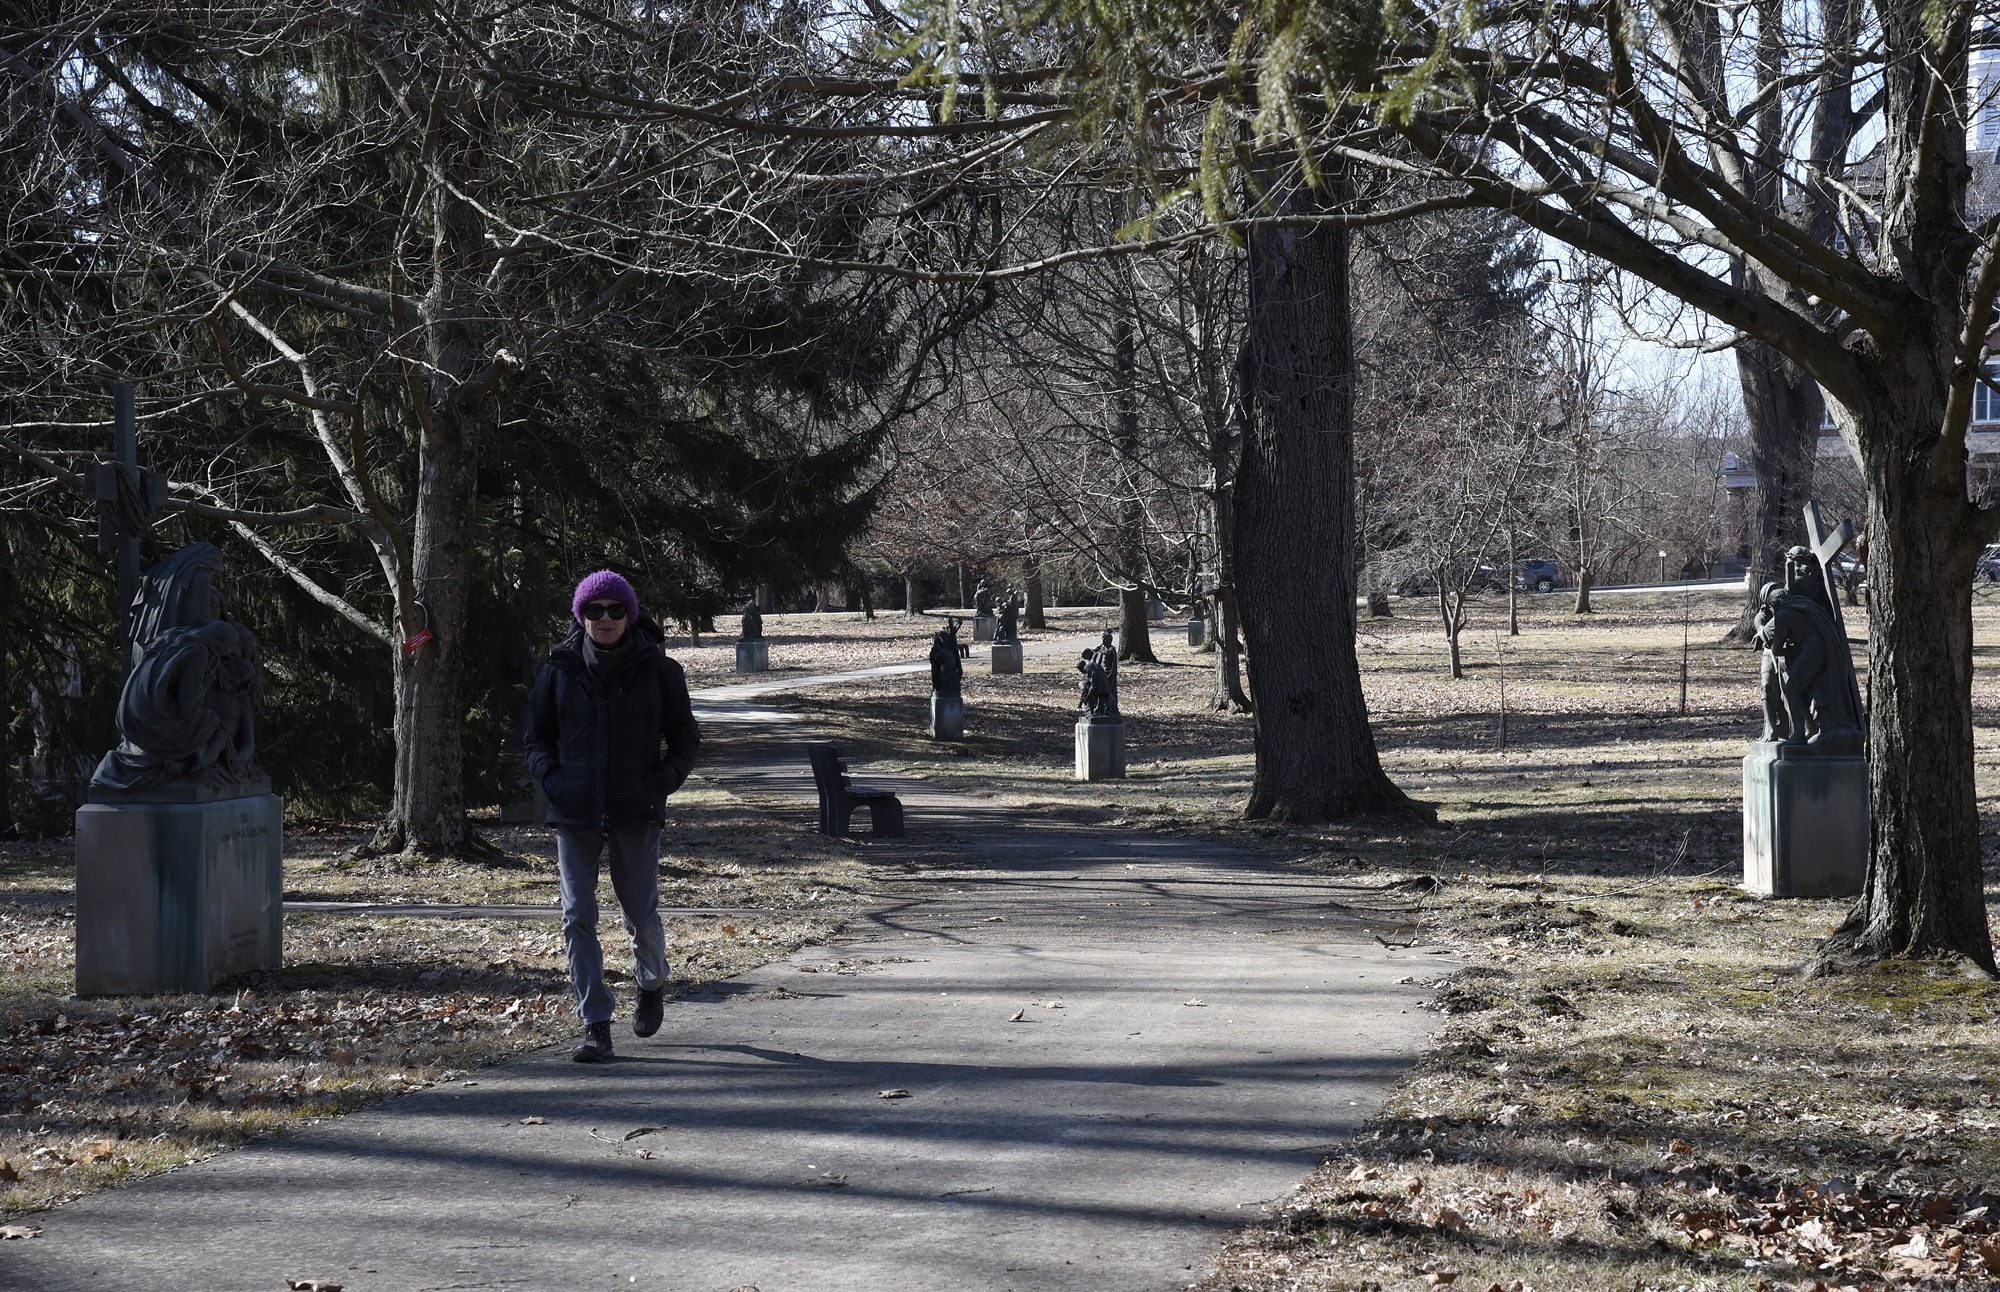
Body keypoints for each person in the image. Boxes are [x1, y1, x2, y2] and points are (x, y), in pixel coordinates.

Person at [526, 571, 701, 1063]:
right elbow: (535, 739)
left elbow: (686, 740)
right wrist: (553, 781)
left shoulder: (661, 670)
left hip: (636, 811)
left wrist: (659, 782)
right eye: (595, 610)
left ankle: (650, 982)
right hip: (574, 812)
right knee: (577, 916)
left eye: (616, 610)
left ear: (631, 614)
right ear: (581, 615)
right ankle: (596, 1024)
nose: (606, 619)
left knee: (640, 915)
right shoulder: (559, 669)